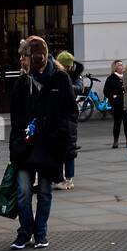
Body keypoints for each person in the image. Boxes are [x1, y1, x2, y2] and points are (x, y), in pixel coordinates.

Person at [8, 35, 77, 251]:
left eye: (25, 57)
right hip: (25, 145)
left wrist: (63, 139)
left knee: (45, 192)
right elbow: (15, 117)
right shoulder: (21, 83)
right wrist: (16, 143)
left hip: (50, 145)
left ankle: (40, 232)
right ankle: (25, 231)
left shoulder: (60, 79)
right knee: (23, 191)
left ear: (37, 57)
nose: (21, 61)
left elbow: (71, 113)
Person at [55, 51, 81, 189]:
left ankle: (69, 178)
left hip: (68, 116)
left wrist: (66, 86)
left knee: (69, 150)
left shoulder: (73, 75)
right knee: (59, 149)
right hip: (60, 115)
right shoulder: (56, 75)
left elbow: (79, 87)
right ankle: (60, 177)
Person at [104, 60, 127, 149]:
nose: (121, 66)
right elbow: (106, 91)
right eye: (119, 65)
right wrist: (113, 97)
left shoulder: (126, 77)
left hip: (126, 103)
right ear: (115, 67)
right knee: (117, 123)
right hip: (117, 104)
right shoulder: (111, 78)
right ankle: (116, 141)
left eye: (122, 65)